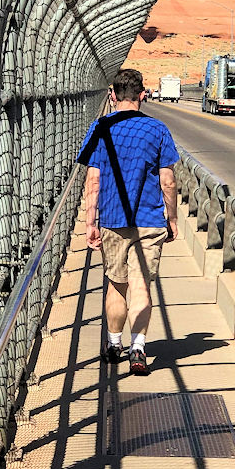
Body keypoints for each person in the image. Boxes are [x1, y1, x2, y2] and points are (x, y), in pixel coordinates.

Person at [76, 67, 179, 375]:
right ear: (142, 96)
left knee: (116, 284)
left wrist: (89, 221)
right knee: (142, 286)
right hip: (149, 219)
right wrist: (172, 219)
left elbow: (93, 180)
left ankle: (113, 343)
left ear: (112, 96)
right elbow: (168, 181)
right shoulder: (158, 129)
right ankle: (138, 348)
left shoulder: (101, 128)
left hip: (112, 218)